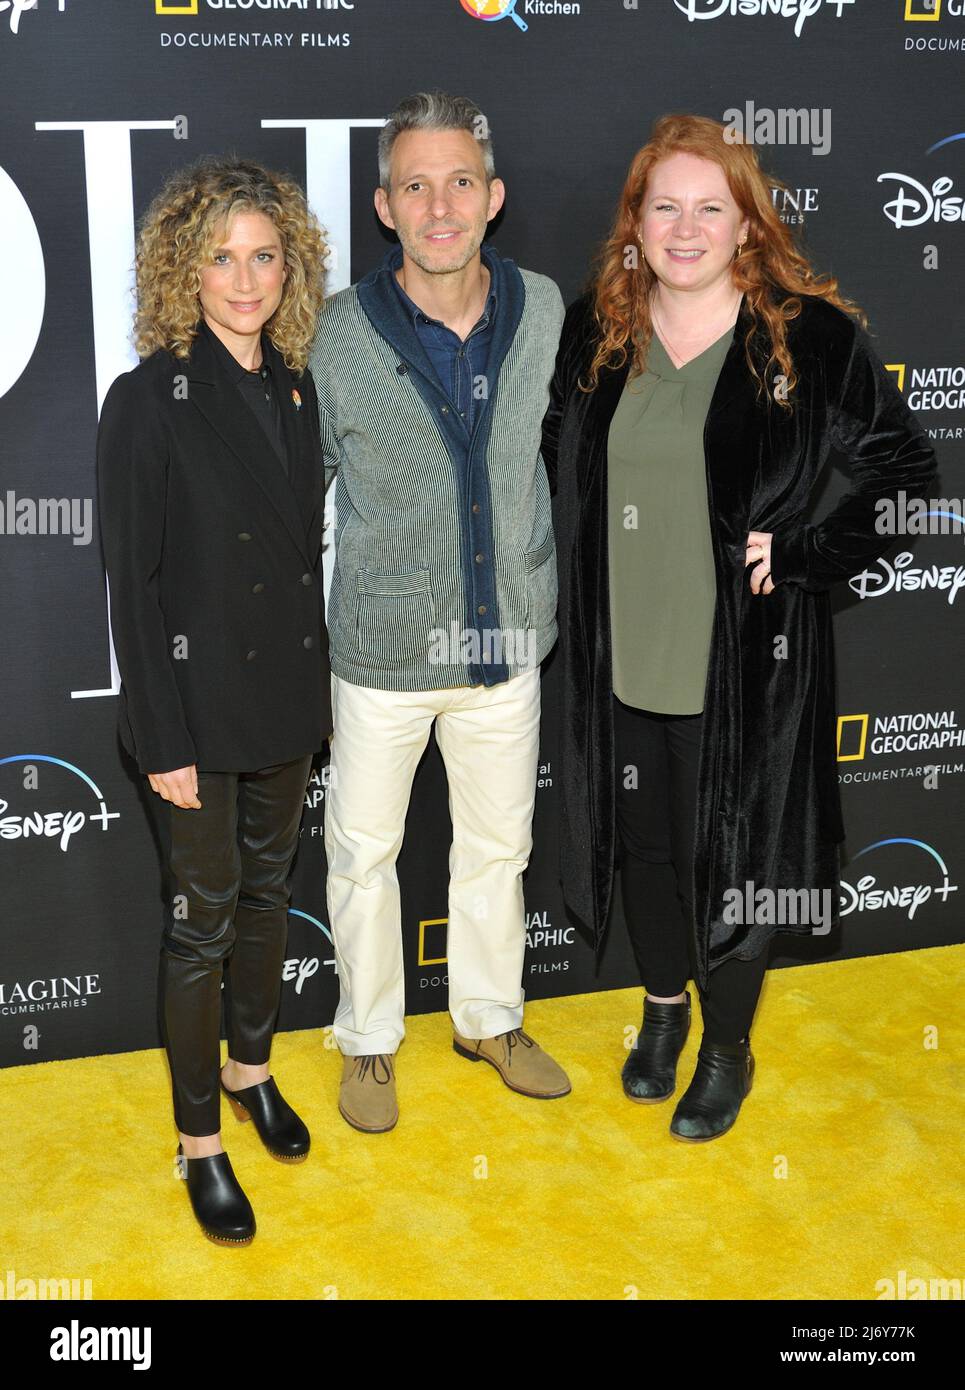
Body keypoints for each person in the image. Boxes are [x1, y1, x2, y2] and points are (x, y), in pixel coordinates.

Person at [541, 114, 938, 1142]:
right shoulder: (595, 333)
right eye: (662, 206)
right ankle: (663, 1009)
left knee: (735, 856)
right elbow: (552, 474)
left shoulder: (806, 338)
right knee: (651, 853)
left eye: (708, 207)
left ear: (745, 225)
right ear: (633, 225)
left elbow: (908, 476)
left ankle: (725, 1047)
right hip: (619, 656)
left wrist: (802, 554)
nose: (684, 227)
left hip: (746, 668)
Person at [310, 90, 569, 1133]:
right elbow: (299, 492)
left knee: (496, 847)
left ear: (492, 195)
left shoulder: (545, 306)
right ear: (384, 206)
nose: (438, 203)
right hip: (379, 650)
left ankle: (488, 1017)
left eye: (458, 180)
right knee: (362, 856)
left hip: (506, 638)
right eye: (414, 184)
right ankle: (368, 1040)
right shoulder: (333, 334)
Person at [96, 156, 332, 1242]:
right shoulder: (148, 397)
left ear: (292, 266)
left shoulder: (295, 383)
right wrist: (159, 734)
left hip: (281, 703)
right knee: (200, 927)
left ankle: (250, 1071)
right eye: (222, 258)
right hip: (190, 715)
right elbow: (132, 585)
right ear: (182, 270)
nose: (245, 280)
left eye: (264, 256)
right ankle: (199, 1142)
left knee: (268, 898)